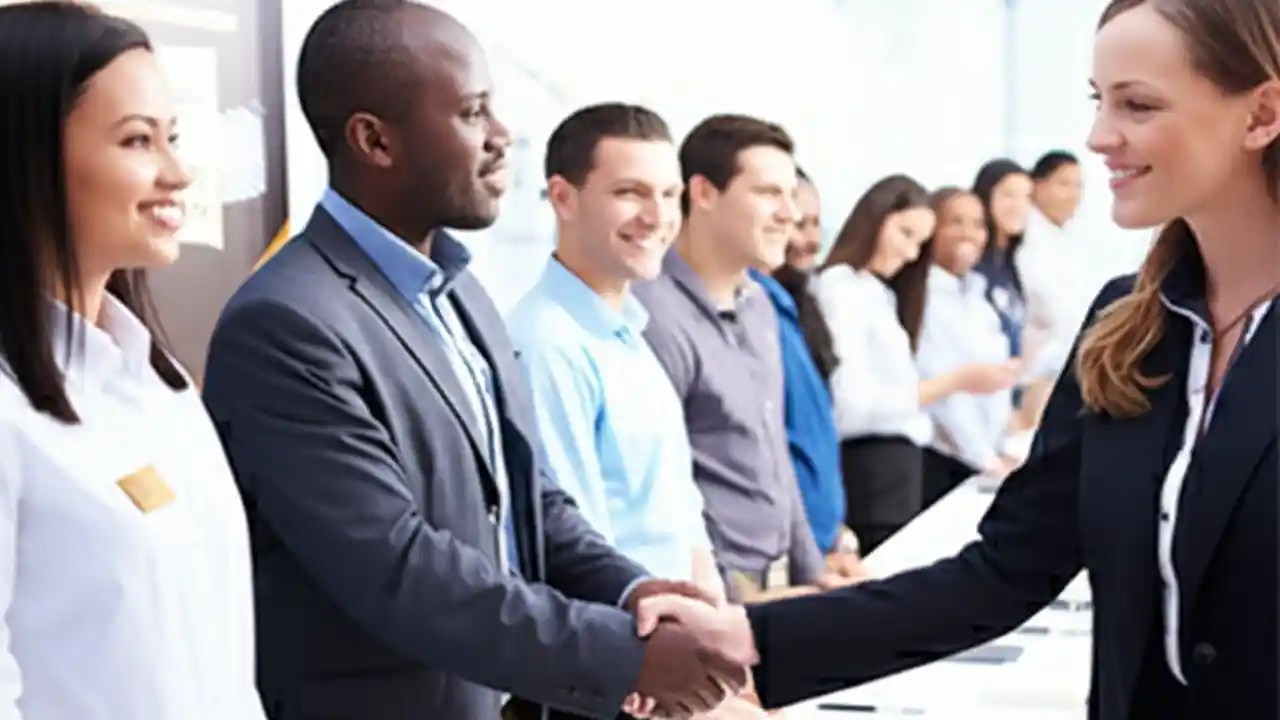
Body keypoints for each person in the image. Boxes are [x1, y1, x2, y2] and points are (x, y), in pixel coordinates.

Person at [638, 0, 1280, 717]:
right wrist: (750, 635)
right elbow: (1004, 573)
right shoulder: (1127, 327)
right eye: (1098, 101)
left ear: (1260, 115)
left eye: (1138, 104)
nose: (1100, 137)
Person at [200, 3, 743, 719]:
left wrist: (631, 593)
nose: (501, 136)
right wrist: (621, 655)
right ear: (375, 140)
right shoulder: (285, 323)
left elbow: (530, 500)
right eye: (472, 112)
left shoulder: (462, 295)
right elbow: (397, 567)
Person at [0, 3, 265, 718]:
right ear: (26, 157)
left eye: (172, 137)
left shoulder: (160, 384)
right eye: (138, 140)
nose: (177, 173)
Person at [633, 114, 844, 604]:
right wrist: (728, 599)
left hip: (780, 585)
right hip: (717, 599)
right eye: (769, 193)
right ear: (703, 193)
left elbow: (775, 453)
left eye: (791, 195)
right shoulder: (650, 314)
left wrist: (814, 572)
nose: (789, 214)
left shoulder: (760, 304)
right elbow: (662, 490)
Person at [812, 175, 1019, 553]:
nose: (910, 254)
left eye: (919, 243)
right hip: (871, 468)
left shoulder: (879, 294)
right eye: (905, 234)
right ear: (875, 219)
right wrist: (954, 382)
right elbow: (851, 405)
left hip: (900, 469)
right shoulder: (840, 288)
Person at [757, 168, 859, 567]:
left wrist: (835, 530)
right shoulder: (758, 311)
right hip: (784, 553)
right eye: (798, 224)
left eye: (815, 224)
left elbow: (814, 437)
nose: (810, 239)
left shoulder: (796, 310)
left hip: (820, 542)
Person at [916, 188, 1023, 507]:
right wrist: (986, 459)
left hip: (982, 460)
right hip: (945, 463)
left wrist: (998, 451)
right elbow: (946, 396)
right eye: (956, 222)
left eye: (978, 224)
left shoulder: (977, 295)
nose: (969, 233)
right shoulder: (925, 299)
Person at [1018, 151, 1094, 427]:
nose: (1073, 195)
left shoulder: (1063, 242)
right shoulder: (1025, 238)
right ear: (1037, 186)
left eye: (1078, 186)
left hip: (1060, 370)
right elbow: (1053, 310)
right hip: (1033, 377)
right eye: (1064, 184)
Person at [972, 159, 1035, 360]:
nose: (1019, 205)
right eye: (1008, 195)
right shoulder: (973, 265)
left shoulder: (1011, 266)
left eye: (1027, 197)